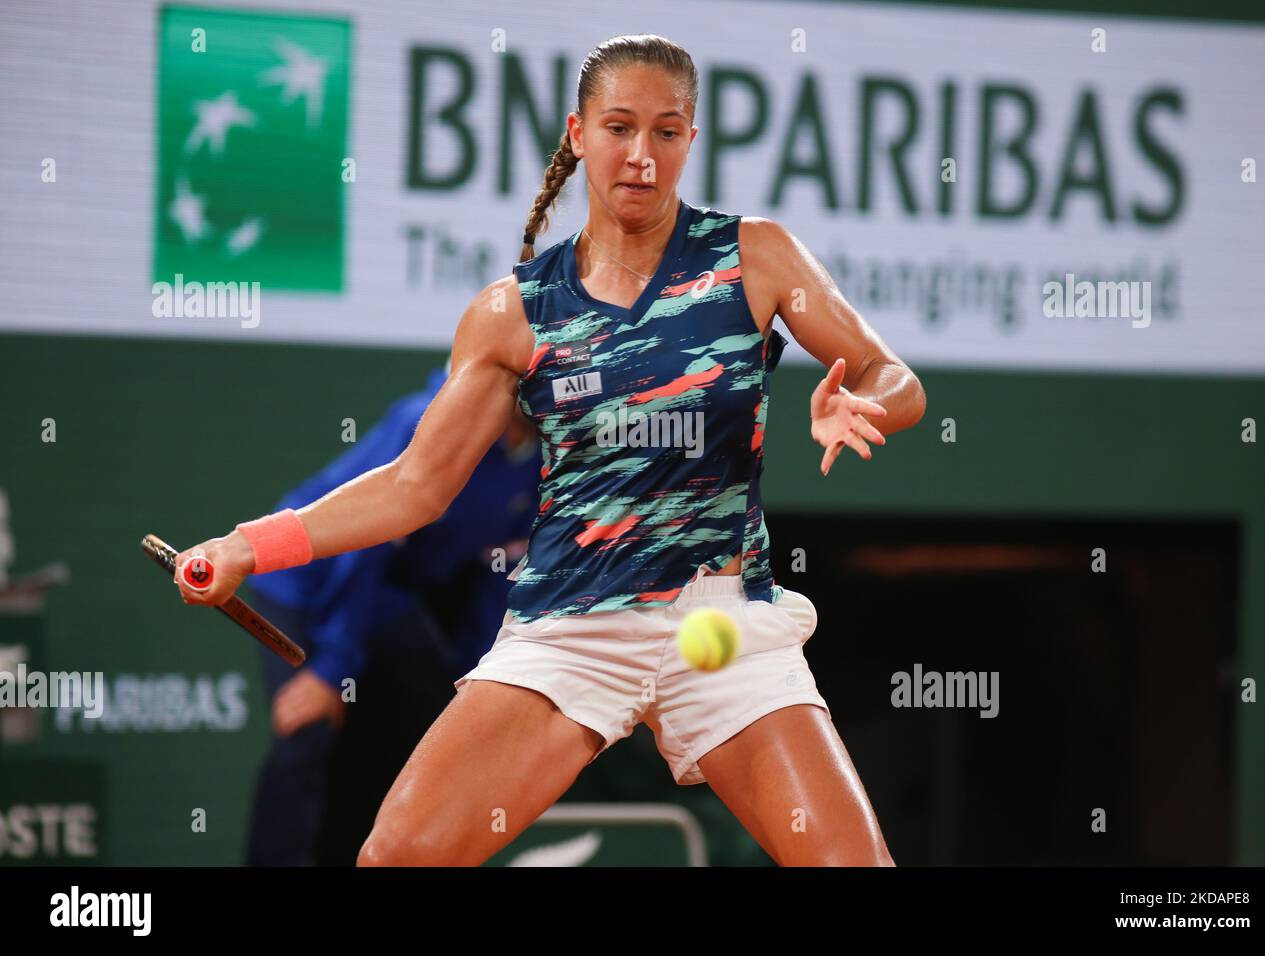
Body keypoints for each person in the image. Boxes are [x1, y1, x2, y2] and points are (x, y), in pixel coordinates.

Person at [172, 33, 925, 867]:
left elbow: (896, 376)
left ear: (691, 142)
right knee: (397, 857)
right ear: (577, 133)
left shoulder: (756, 256)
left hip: (721, 623)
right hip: (570, 628)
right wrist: (247, 545)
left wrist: (865, 403)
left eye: (667, 132)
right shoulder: (513, 312)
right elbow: (411, 488)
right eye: (619, 127)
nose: (642, 155)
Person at [240, 364, 540, 865]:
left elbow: (490, 574)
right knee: (309, 733)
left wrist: (481, 675)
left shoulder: (538, 459)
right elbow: (366, 546)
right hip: (306, 584)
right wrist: (330, 672)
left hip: (388, 600)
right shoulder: (423, 422)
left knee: (407, 737)